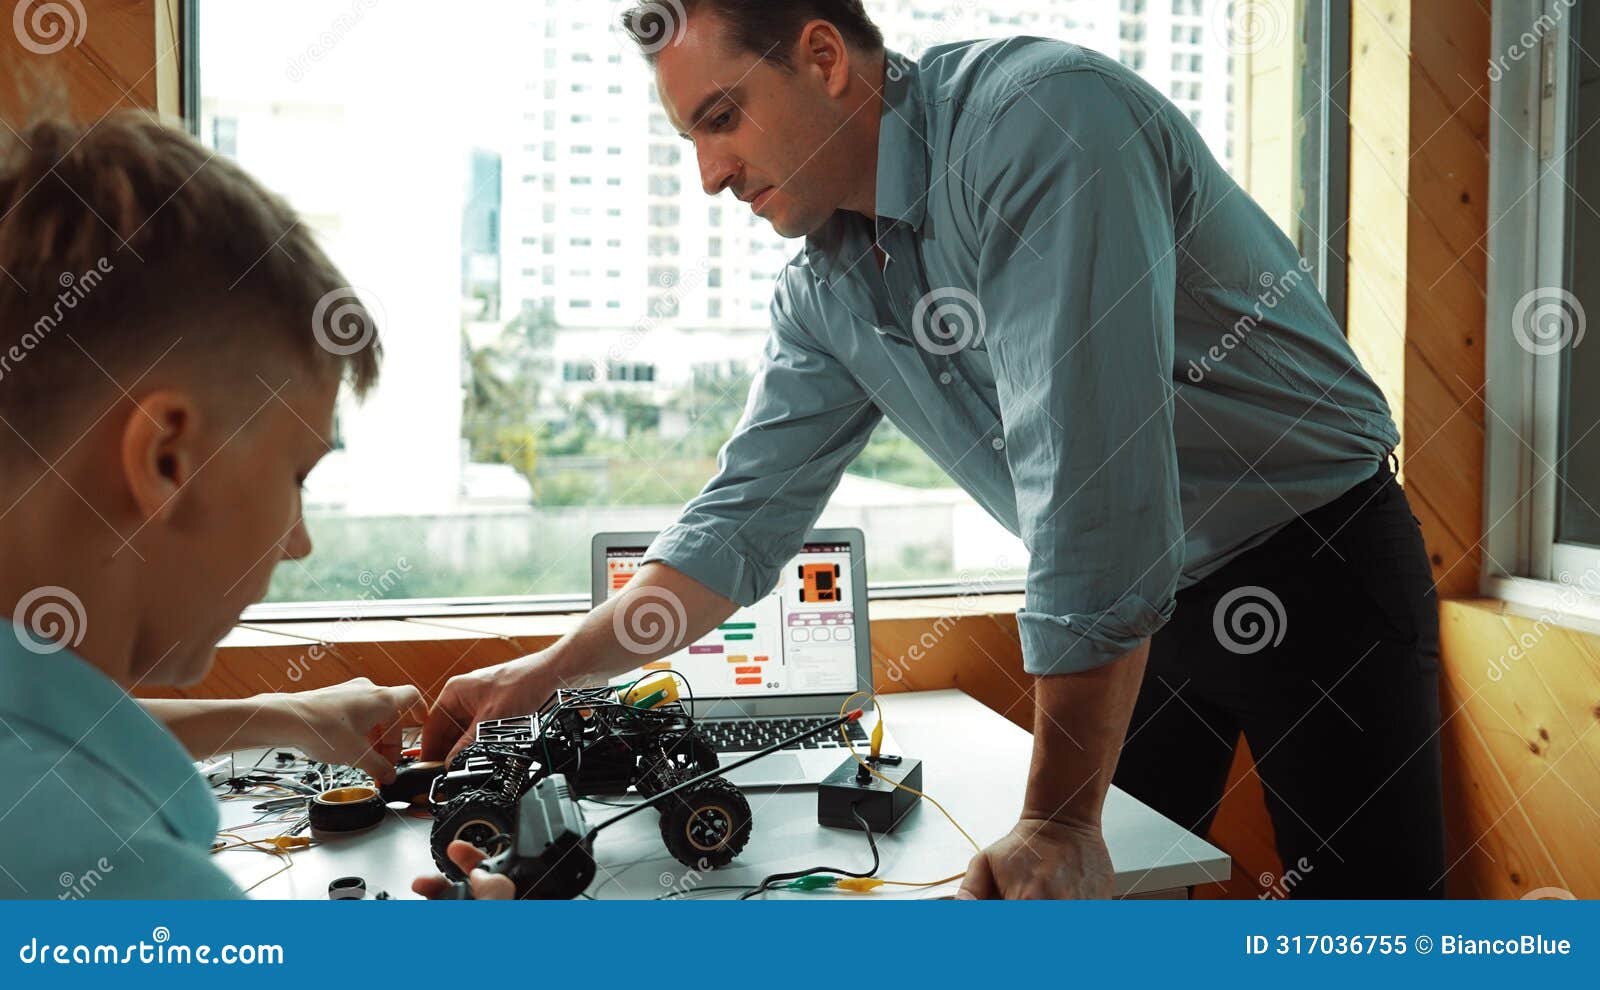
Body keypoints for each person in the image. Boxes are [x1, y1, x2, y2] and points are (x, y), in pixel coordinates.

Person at [424, 0, 1444, 899]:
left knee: (1366, 927)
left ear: (822, 58)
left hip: (1315, 565)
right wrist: (543, 678)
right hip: (1140, 613)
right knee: (1085, 922)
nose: (708, 177)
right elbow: (736, 526)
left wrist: (1054, 818)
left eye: (721, 119)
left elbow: (1091, 485)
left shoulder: (1045, 123)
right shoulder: (823, 289)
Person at [0, 114, 504, 899]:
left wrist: (268, 713)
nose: (296, 542)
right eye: (297, 474)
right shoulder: (126, 881)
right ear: (167, 458)